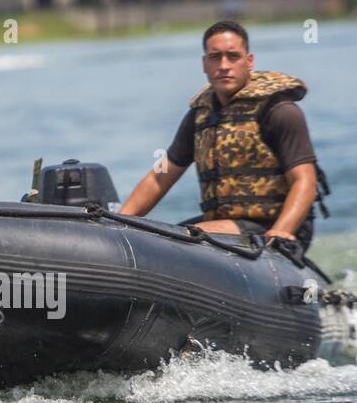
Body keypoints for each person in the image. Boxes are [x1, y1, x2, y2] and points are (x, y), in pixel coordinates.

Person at [118, 20, 327, 252]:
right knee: (164, 239)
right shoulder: (200, 117)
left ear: (249, 62)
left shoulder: (279, 111)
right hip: (225, 226)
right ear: (204, 64)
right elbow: (159, 177)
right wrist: (117, 223)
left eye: (233, 56)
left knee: (182, 241)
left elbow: (305, 180)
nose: (224, 65)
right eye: (215, 57)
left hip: (276, 227)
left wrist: (282, 230)